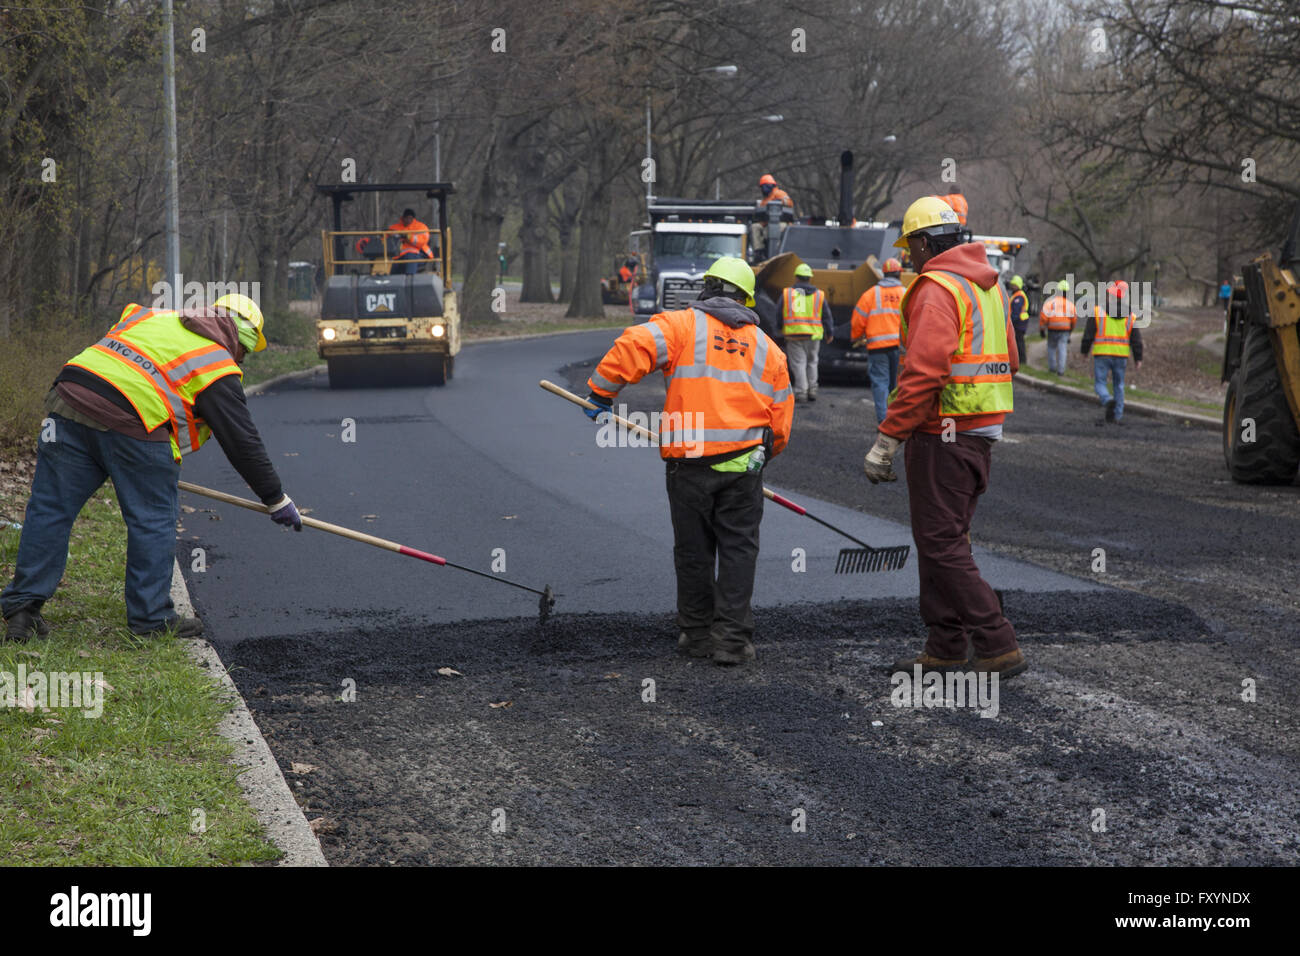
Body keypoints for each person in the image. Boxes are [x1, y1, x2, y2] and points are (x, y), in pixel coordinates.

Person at [2, 294, 302, 643]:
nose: (242, 360)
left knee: (51, 509)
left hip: (69, 399)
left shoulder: (152, 319)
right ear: (242, 341)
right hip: (134, 421)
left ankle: (22, 611)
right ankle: (151, 619)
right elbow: (242, 441)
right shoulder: (215, 363)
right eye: (246, 354)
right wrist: (275, 498)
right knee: (153, 519)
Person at [584, 257, 793, 665]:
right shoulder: (769, 349)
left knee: (694, 551)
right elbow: (781, 419)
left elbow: (632, 345)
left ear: (707, 289)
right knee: (738, 551)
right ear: (747, 299)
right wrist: (763, 458)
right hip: (742, 469)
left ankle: (696, 635)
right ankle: (731, 642)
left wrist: (601, 393)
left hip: (689, 466)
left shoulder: (680, 326)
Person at [862, 196, 1026, 680]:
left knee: (940, 543)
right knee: (944, 540)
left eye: (911, 247)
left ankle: (997, 643)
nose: (909, 257)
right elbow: (1011, 361)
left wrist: (887, 439)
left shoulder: (937, 287)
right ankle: (946, 646)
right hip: (979, 432)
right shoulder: (987, 287)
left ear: (926, 242)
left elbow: (924, 372)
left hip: (944, 434)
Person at [1081, 280, 1144, 426]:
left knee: (1100, 383)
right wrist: (1138, 358)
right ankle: (1117, 415)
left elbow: (1088, 334)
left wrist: (1085, 350)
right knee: (1119, 385)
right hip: (1121, 356)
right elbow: (1136, 339)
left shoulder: (1098, 312)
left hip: (1102, 353)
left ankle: (1107, 399)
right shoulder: (1130, 316)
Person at [852, 257, 904, 424]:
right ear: (899, 274)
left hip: (877, 348)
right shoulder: (906, 293)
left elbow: (858, 320)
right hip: (899, 348)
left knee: (880, 383)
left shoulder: (871, 294)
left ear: (883, 274)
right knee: (896, 385)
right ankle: (896, 418)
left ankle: (884, 421)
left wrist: (856, 337)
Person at [780, 262, 834, 402]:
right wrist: (830, 333)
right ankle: (812, 390)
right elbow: (827, 316)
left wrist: (778, 330)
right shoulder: (819, 295)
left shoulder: (788, 293)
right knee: (812, 362)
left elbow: (778, 314)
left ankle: (801, 392)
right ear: (809, 278)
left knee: (799, 363)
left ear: (796, 278)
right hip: (814, 336)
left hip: (794, 335)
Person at [1039, 280, 1077, 375]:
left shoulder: (1050, 303)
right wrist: (1070, 331)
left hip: (1052, 329)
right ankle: (1061, 370)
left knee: (1051, 348)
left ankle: (1052, 368)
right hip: (1065, 330)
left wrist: (1042, 330)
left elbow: (1044, 317)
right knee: (1062, 349)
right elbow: (1074, 319)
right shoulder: (1070, 304)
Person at [388, 208, 433, 275]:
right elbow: (383, 238)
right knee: (390, 264)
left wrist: (408, 237)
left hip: (419, 254)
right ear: (403, 218)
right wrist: (368, 241)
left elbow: (422, 240)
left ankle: (410, 279)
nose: (408, 220)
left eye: (410, 218)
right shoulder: (394, 228)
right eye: (407, 218)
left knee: (410, 256)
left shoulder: (421, 227)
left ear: (413, 218)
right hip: (398, 256)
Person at [1007, 274, 1030, 372]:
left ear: (1018, 285)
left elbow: (1015, 312)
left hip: (1019, 322)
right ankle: (1021, 360)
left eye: (1013, 284)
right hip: (1021, 322)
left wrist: (1010, 322)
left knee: (1019, 341)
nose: (1012, 286)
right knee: (1018, 341)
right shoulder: (1017, 295)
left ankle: (1022, 360)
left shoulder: (1018, 297)